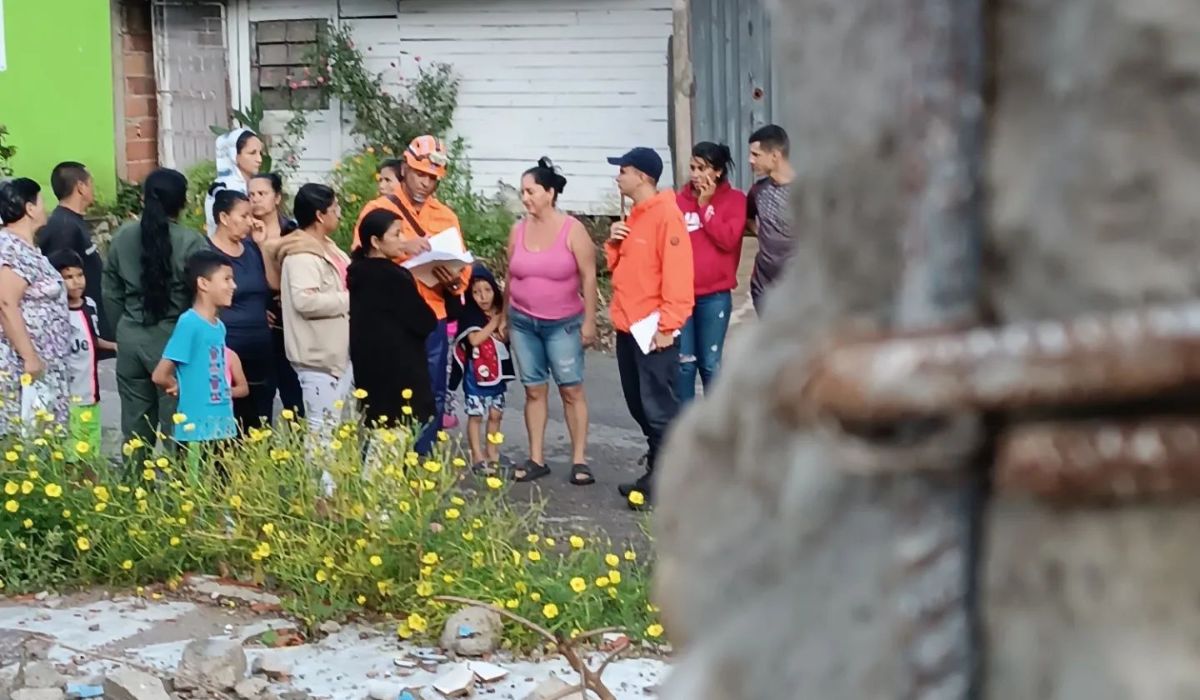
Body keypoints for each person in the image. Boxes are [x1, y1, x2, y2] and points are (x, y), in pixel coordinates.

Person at [352, 135, 469, 426]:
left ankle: (423, 453)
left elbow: (461, 272)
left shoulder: (446, 216)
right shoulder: (378, 210)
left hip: (431, 314)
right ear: (404, 168)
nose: (425, 183)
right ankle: (386, 453)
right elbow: (360, 260)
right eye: (420, 174)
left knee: (433, 394)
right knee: (385, 394)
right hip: (386, 318)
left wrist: (454, 282)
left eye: (432, 178)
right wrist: (404, 246)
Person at [605, 147, 694, 509]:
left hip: (654, 331)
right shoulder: (636, 215)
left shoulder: (666, 216)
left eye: (623, 171)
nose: (618, 177)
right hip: (629, 327)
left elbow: (678, 275)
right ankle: (656, 470)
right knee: (639, 405)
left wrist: (669, 325)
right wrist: (614, 243)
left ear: (642, 176)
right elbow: (622, 269)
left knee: (658, 408)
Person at [505, 157, 598, 485]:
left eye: (530, 191)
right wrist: (503, 316)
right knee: (533, 390)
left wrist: (590, 321)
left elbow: (589, 276)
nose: (525, 198)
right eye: (522, 192)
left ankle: (579, 460)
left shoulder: (573, 230)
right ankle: (536, 458)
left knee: (571, 390)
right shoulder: (517, 230)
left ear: (550, 193)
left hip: (563, 324)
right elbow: (510, 276)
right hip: (522, 322)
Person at [103, 168, 206, 451]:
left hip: (131, 337)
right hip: (175, 341)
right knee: (179, 431)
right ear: (183, 202)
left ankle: (135, 480)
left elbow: (110, 291)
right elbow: (204, 294)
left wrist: (122, 329)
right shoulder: (191, 241)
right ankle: (177, 481)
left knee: (135, 431)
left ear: (145, 198)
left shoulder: (123, 236)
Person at [348, 209, 440, 453]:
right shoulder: (393, 276)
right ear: (375, 241)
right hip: (398, 375)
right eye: (397, 234)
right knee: (392, 445)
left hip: (369, 369)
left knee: (375, 437)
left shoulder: (356, 272)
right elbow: (424, 321)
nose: (403, 240)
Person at [273, 183, 352, 439]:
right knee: (321, 431)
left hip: (338, 351)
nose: (339, 213)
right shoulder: (301, 254)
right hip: (317, 355)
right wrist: (352, 300)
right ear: (320, 215)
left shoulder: (328, 245)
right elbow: (305, 301)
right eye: (334, 208)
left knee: (337, 429)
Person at [675, 142, 747, 403]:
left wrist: (705, 206)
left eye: (702, 168)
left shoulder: (735, 200)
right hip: (680, 296)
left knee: (710, 364)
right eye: (692, 167)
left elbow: (728, 240)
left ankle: (716, 422)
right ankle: (684, 422)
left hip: (714, 296)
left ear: (717, 172)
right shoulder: (678, 202)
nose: (695, 174)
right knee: (684, 364)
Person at [151, 250, 239, 461]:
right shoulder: (189, 323)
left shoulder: (219, 327)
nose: (233, 285)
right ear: (203, 283)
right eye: (226, 279)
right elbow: (160, 375)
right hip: (196, 432)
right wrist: (179, 386)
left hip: (223, 427)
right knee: (196, 481)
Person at [0, 178, 71, 434]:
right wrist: (29, 357)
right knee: (26, 437)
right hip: (24, 367)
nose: (45, 208)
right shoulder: (11, 248)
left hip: (46, 364)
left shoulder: (26, 247)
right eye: (41, 201)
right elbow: (6, 302)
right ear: (29, 208)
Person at [206, 185, 275, 430]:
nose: (250, 222)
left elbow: (271, 284)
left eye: (250, 216)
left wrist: (263, 246)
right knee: (229, 417)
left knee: (260, 418)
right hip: (228, 345)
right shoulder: (207, 252)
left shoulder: (252, 248)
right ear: (224, 218)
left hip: (260, 345)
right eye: (243, 216)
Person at [37, 161, 111, 349]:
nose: (93, 189)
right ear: (80, 187)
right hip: (77, 334)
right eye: (90, 183)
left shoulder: (73, 222)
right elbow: (59, 279)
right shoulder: (63, 227)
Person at [50, 250, 116, 456]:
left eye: (79, 275)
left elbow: (91, 338)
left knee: (91, 450)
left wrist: (114, 346)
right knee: (72, 452)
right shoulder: (56, 312)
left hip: (91, 394)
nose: (76, 282)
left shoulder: (90, 306)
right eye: (68, 277)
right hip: (69, 397)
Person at [247, 172, 303, 417]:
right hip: (257, 317)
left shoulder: (292, 232)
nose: (256, 199)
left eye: (262, 193)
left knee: (293, 390)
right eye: (251, 194)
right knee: (261, 391)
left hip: (290, 317)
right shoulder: (243, 234)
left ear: (277, 197)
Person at [451, 268, 515, 473]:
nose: (483, 297)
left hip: (498, 374)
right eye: (476, 292)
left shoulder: (500, 312)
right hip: (476, 375)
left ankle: (492, 452)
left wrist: (501, 324)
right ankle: (477, 456)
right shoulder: (470, 315)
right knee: (476, 415)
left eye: (487, 290)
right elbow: (475, 340)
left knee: (496, 414)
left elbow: (506, 338)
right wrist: (493, 323)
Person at [746, 125, 795, 313]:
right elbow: (749, 217)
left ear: (775, 155)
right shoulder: (758, 191)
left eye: (756, 155)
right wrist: (761, 232)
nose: (750, 160)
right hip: (763, 288)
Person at [204, 128, 264, 236]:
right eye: (252, 153)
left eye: (260, 153)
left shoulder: (257, 184)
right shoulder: (222, 188)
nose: (259, 159)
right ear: (234, 155)